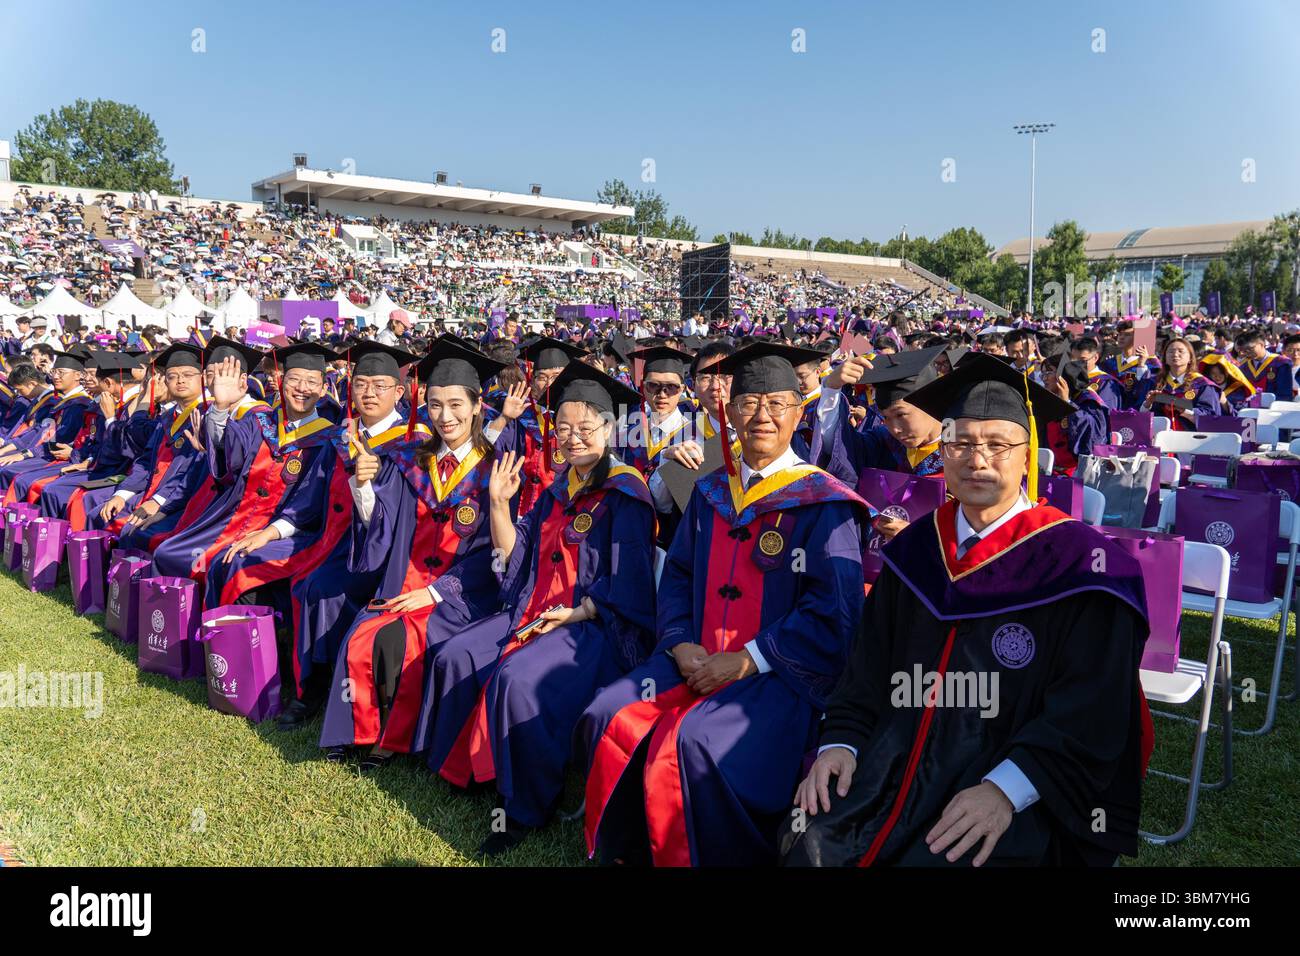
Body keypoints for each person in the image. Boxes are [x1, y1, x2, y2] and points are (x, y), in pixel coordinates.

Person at [781, 352, 1151, 867]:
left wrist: (1007, 791)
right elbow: (867, 668)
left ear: (1028, 455)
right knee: (808, 843)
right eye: (961, 443)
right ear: (944, 450)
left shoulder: (1084, 568)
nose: (978, 460)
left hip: (1012, 778)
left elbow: (1091, 709)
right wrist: (840, 741)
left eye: (998, 445)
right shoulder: (915, 552)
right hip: (896, 759)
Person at [576, 341, 867, 866]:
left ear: (798, 411)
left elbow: (835, 611)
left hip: (777, 677)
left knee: (694, 741)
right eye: (749, 404)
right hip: (695, 656)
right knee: (608, 711)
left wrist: (749, 658)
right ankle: (625, 848)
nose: (762, 416)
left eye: (777, 404)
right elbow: (680, 574)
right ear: (728, 412)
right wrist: (679, 642)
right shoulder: (713, 492)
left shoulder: (824, 502)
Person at [425, 362, 655, 856]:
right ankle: (466, 771)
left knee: (519, 680)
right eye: (564, 428)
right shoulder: (556, 490)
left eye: (585, 428)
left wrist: (577, 613)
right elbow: (517, 558)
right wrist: (499, 506)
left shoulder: (626, 494)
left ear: (610, 430)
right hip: (532, 610)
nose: (573, 438)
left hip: (593, 630)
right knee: (456, 655)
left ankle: (525, 806)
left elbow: (632, 584)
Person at [318, 338, 515, 770]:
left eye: (456, 405)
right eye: (436, 405)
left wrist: (436, 594)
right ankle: (358, 729)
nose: (445, 417)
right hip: (402, 579)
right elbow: (380, 524)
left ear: (479, 406)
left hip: (464, 593)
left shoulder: (497, 466)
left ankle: (392, 740)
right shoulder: (408, 461)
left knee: (403, 636)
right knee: (365, 631)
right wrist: (363, 485)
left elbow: (496, 553)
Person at [281, 342, 433, 729]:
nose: (368, 392)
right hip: (338, 543)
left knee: (324, 590)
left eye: (380, 385)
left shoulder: (415, 443)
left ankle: (332, 691)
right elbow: (310, 497)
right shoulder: (340, 438)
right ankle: (312, 688)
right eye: (361, 384)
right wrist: (272, 531)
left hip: (393, 553)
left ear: (400, 392)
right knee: (310, 584)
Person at [95, 344, 211, 548]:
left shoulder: (208, 415)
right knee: (101, 512)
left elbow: (194, 473)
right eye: (172, 376)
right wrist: (122, 494)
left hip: (184, 501)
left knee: (134, 531)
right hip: (152, 491)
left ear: (202, 377)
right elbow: (146, 460)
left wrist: (159, 502)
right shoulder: (167, 417)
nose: (180, 380)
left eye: (187, 374)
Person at [617, 345, 694, 477]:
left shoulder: (694, 436)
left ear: (682, 389)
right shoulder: (628, 435)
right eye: (653, 385)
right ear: (643, 387)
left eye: (671, 386)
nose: (662, 394)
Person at [1142, 338, 1219, 429]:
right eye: (1170, 351)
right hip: (1158, 436)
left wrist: (1184, 409)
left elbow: (1211, 418)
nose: (1175, 354)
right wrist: (1147, 404)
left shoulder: (1202, 384)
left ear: (1190, 358)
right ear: (1165, 358)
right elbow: (1139, 415)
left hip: (1191, 438)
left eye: (1180, 351)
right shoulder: (1154, 382)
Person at [1236, 328, 1295, 399]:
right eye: (1243, 350)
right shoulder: (1243, 366)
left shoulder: (1281, 363)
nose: (1246, 353)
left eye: (1250, 349)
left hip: (1273, 407)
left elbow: (1285, 394)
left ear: (1262, 344)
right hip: (1248, 408)